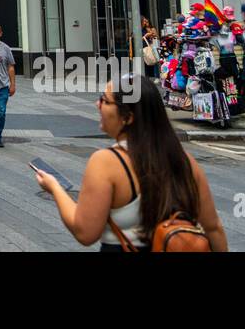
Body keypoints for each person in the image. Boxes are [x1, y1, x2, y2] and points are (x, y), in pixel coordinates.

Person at [35, 75, 228, 252]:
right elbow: (213, 228)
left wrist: (55, 188)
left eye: (105, 100)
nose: (97, 104)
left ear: (128, 117)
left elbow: (85, 232)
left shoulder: (106, 162)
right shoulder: (185, 161)